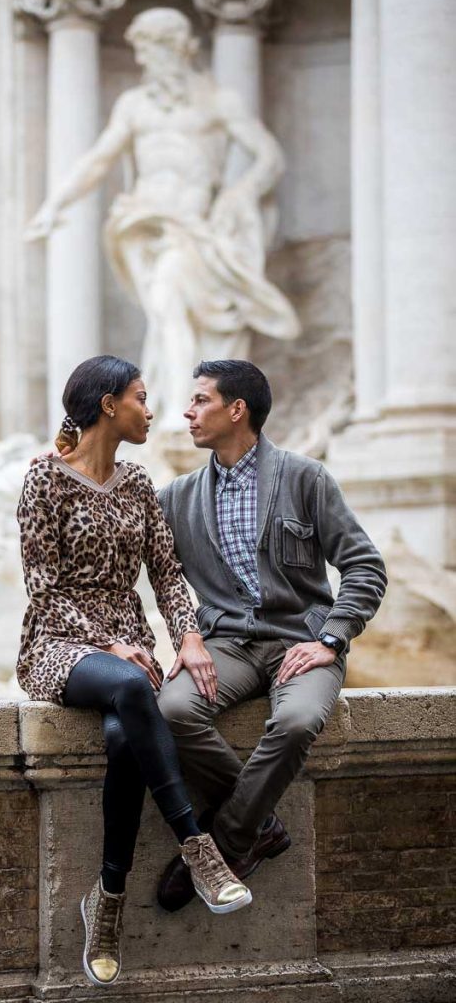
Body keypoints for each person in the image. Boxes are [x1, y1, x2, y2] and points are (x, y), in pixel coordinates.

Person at [16, 355, 252, 988]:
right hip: (60, 647)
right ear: (107, 405)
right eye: (142, 399)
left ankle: (109, 900)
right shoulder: (43, 479)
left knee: (126, 737)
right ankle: (198, 848)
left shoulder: (140, 483)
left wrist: (191, 637)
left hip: (130, 650)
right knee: (127, 685)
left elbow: (168, 576)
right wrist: (113, 645)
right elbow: (42, 590)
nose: (153, 411)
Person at [155, 359, 387, 911]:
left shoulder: (306, 477)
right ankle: (259, 828)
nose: (186, 412)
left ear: (237, 410)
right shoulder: (177, 497)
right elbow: (149, 569)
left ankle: (226, 842)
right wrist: (186, 636)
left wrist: (330, 639)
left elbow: (365, 566)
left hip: (302, 641)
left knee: (299, 720)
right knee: (171, 710)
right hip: (226, 646)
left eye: (200, 400)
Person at [25, 8, 299, 433]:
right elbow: (99, 161)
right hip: (142, 226)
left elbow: (269, 155)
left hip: (191, 229)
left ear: (177, 49)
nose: (144, 63)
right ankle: (179, 401)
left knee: (171, 301)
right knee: (165, 313)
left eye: (151, 52)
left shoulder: (217, 100)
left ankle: (181, 407)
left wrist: (239, 192)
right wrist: (56, 205)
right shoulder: (134, 105)